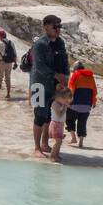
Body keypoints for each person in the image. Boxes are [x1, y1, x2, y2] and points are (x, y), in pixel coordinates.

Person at [31, 15, 69, 157]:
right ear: (46, 26)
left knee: (48, 116)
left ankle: (44, 143)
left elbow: (64, 60)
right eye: (55, 26)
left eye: (59, 26)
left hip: (54, 85)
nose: (58, 29)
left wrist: (66, 75)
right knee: (39, 116)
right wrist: (56, 75)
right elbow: (39, 65)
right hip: (39, 85)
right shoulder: (40, 44)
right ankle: (36, 148)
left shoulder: (60, 43)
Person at [66, 60, 96, 147]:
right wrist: (94, 102)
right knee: (82, 123)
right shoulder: (91, 77)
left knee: (69, 120)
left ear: (75, 69)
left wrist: (68, 102)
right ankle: (81, 142)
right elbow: (94, 91)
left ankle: (73, 138)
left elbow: (71, 89)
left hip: (74, 105)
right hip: (87, 106)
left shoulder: (75, 75)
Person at [48, 86, 71, 162]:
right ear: (60, 97)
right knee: (57, 142)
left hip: (60, 125)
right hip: (56, 125)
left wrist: (65, 105)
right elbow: (59, 115)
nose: (66, 101)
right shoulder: (55, 104)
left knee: (60, 141)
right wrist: (65, 108)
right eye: (65, 99)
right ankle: (52, 155)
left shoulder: (61, 104)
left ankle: (56, 155)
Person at [0, 30, 16, 100]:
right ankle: (8, 94)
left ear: (1, 36)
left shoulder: (0, 43)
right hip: (9, 63)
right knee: (8, 78)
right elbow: (14, 54)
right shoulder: (11, 43)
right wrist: (15, 62)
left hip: (2, 62)